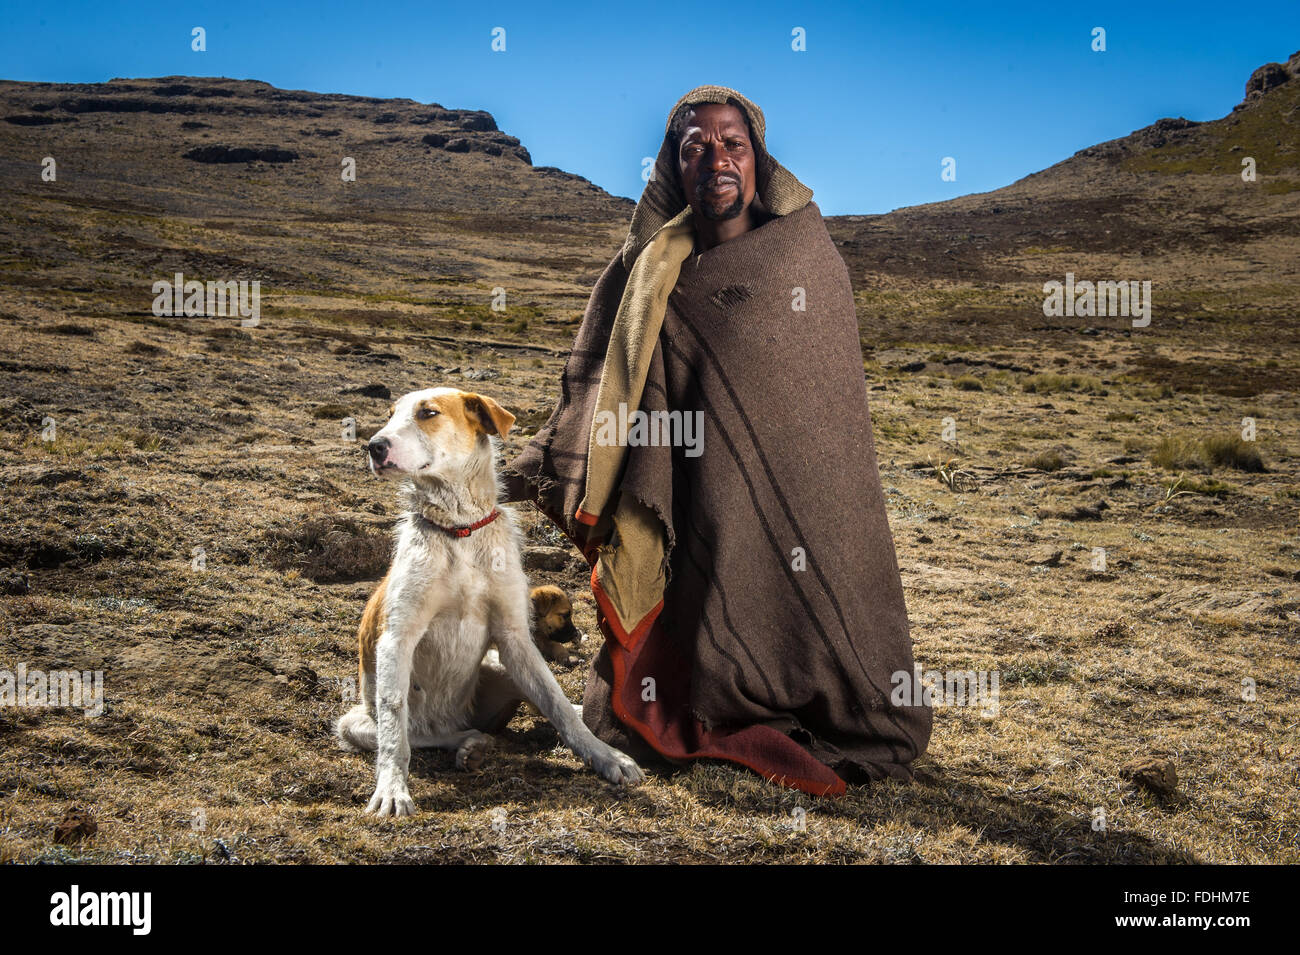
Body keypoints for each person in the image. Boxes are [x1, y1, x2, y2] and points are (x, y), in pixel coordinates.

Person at [501, 85, 931, 796]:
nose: (716, 158)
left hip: (807, 487)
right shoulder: (648, 269)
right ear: (674, 164)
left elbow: (825, 403)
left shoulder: (805, 258)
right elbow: (607, 378)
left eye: (732, 143)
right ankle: (699, 690)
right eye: (695, 146)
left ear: (757, 159)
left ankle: (820, 690)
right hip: (678, 476)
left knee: (801, 572)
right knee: (702, 567)